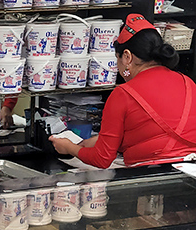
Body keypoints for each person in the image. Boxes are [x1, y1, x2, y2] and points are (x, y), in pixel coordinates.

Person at [50, 14, 196, 168]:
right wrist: (91, 142)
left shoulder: (124, 93)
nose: (119, 69)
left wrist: (69, 147)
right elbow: (150, 131)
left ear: (127, 57)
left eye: (117, 59)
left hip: (149, 176)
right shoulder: (188, 83)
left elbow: (101, 159)